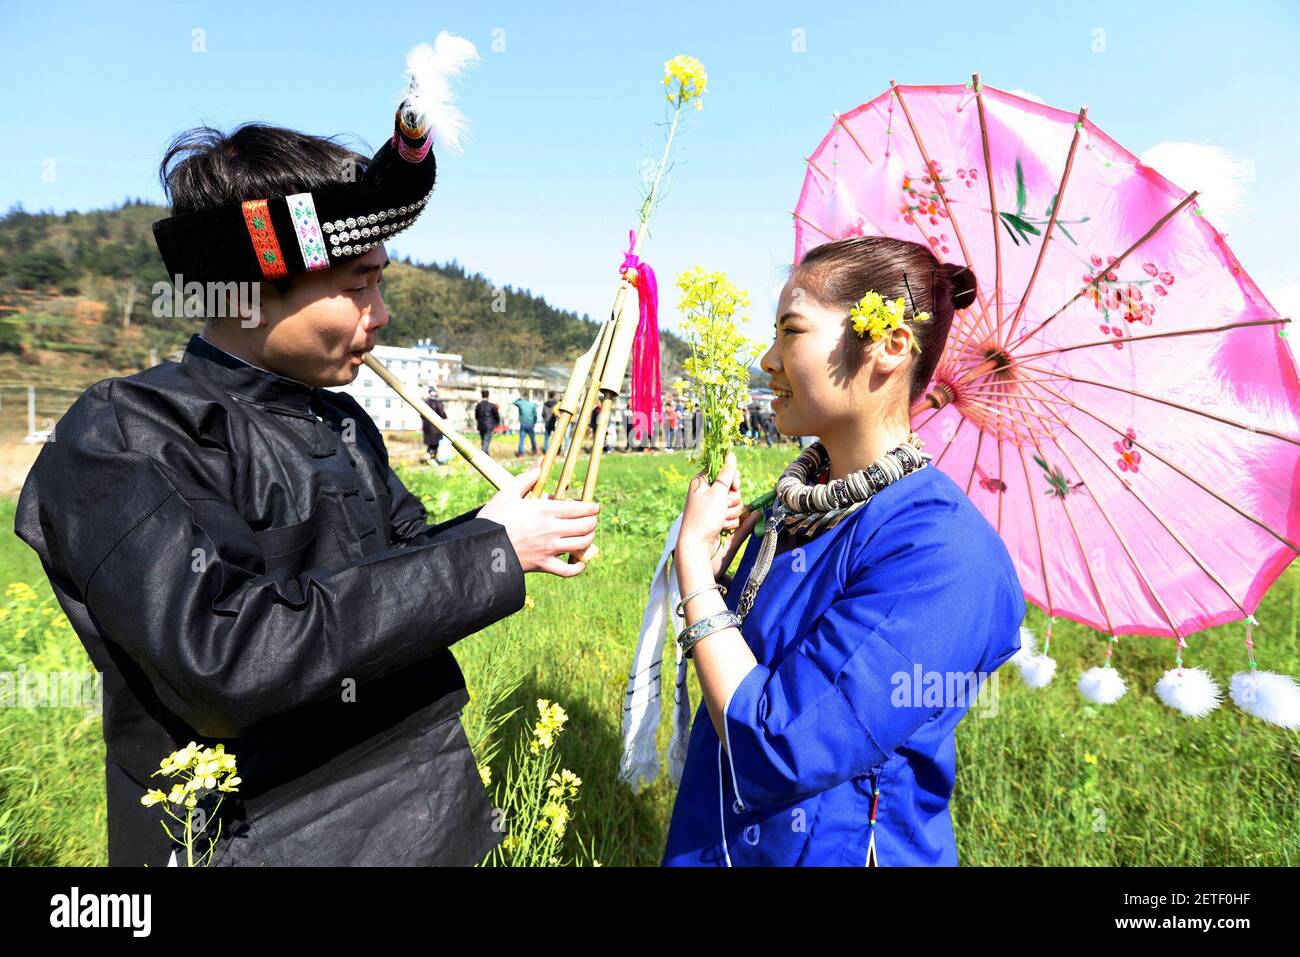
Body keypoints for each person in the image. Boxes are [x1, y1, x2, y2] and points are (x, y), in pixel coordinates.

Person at [14, 36, 602, 868]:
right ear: (251, 291)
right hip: (273, 837)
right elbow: (226, 658)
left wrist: (497, 530)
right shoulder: (125, 434)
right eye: (358, 285)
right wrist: (489, 553)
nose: (381, 313)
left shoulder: (341, 419)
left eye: (381, 282)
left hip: (428, 808)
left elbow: (396, 571)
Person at [662, 236, 1025, 867]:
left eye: (791, 330)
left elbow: (776, 747)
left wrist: (692, 568)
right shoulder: (791, 511)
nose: (767, 359)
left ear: (889, 346)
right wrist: (716, 583)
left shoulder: (945, 556)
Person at [422, 384, 447, 463]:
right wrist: (445, 417)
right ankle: (432, 459)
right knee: (435, 444)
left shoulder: (425, 402)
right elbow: (442, 414)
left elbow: (422, 415)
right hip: (436, 428)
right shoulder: (438, 402)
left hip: (427, 428)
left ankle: (428, 456)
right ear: (435, 392)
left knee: (430, 444)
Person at [474, 388, 500, 455]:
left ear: (482, 395)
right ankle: (482, 456)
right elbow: (496, 416)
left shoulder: (478, 405)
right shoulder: (492, 405)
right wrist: (497, 423)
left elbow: (476, 416)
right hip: (489, 426)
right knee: (485, 442)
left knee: (484, 442)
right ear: (488, 396)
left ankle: (487, 456)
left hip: (480, 426)